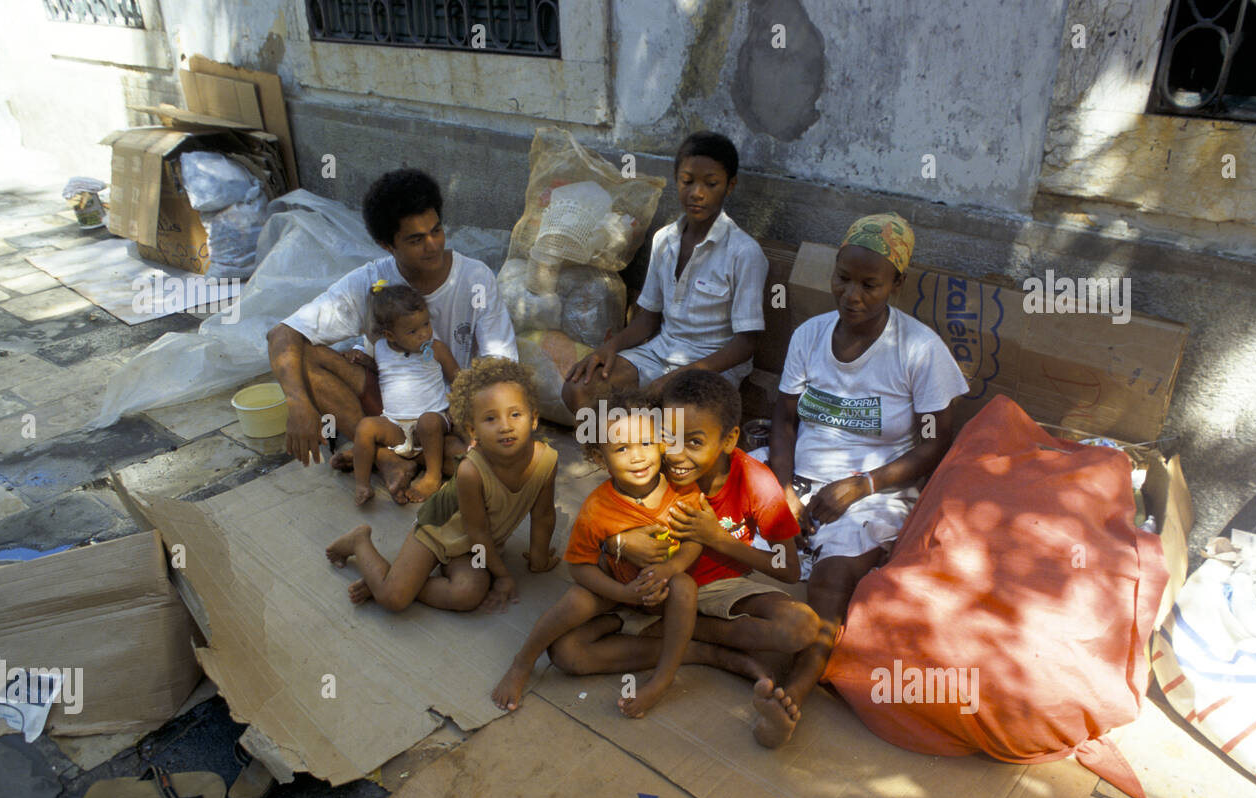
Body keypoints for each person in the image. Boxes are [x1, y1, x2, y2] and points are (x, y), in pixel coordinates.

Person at [758, 211, 970, 746]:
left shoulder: (918, 350)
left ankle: (796, 690)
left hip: (873, 488)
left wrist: (863, 486)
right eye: (842, 279)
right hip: (799, 475)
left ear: (896, 284)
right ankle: (713, 642)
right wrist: (782, 489)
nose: (852, 295)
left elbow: (935, 441)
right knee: (722, 534)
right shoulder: (809, 336)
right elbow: (784, 418)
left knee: (830, 576)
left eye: (869, 284)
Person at [566, 370, 827, 746]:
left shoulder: (755, 482)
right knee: (568, 654)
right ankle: (705, 652)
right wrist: (617, 545)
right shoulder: (650, 463)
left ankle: (689, 640)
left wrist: (716, 538)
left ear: (729, 439)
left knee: (801, 627)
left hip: (717, 587)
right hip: (648, 588)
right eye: (668, 438)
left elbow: (789, 570)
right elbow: (603, 517)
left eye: (695, 442)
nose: (677, 454)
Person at [267, 169, 518, 502]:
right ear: (387, 244)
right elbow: (282, 334)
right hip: (389, 404)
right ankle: (387, 457)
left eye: (437, 230)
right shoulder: (371, 280)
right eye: (415, 239)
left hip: (446, 411)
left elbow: (501, 366)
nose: (432, 246)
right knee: (306, 357)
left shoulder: (475, 278)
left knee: (486, 464)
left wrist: (474, 420)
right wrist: (298, 404)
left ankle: (381, 452)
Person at [490, 390, 705, 719]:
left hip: (662, 592)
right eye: (621, 449)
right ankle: (523, 661)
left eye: (646, 443)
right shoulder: (598, 507)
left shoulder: (683, 492)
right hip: (617, 587)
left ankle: (663, 677)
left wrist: (672, 567)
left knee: (685, 586)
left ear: (663, 441)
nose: (637, 458)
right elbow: (580, 568)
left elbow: (695, 539)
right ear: (599, 459)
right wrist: (624, 593)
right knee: (575, 607)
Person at [325, 358, 559, 614]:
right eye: (490, 418)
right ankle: (361, 543)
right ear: (473, 430)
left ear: (533, 418)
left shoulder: (546, 460)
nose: (505, 426)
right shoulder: (472, 471)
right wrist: (503, 576)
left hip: (473, 548)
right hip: (437, 532)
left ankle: (390, 580)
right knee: (393, 599)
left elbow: (544, 514)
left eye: (516, 414)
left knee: (468, 595)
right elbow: (478, 531)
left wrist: (539, 559)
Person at [562, 131, 767, 411]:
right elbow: (647, 319)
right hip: (659, 354)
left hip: (712, 369)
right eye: (687, 181)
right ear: (676, 179)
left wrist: (679, 377)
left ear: (730, 186)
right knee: (579, 391)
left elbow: (745, 344)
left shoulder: (744, 252)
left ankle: (635, 443)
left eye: (711, 183)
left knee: (672, 415)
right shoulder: (664, 240)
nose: (697, 192)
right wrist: (609, 347)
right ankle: (614, 451)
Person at [346, 282, 458, 506]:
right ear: (390, 335)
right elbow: (386, 369)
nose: (424, 333)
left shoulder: (436, 349)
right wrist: (363, 359)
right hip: (396, 427)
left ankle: (432, 476)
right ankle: (362, 484)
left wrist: (460, 410)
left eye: (426, 324)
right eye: (413, 331)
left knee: (428, 422)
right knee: (366, 427)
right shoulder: (380, 348)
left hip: (434, 420)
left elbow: (459, 378)